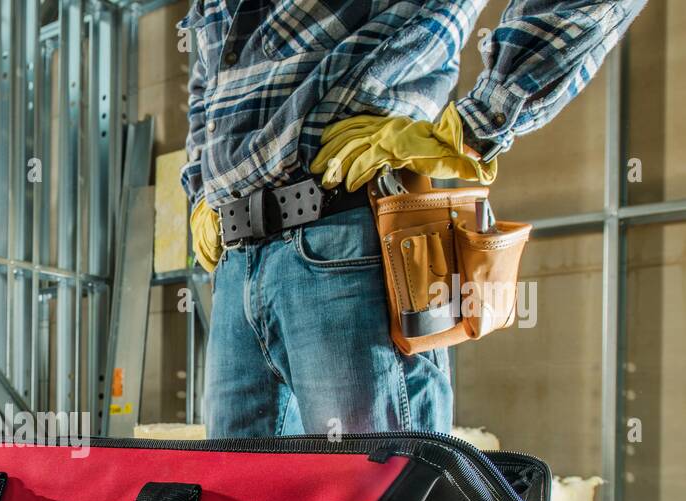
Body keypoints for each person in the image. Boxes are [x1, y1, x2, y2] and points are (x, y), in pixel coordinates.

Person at [183, 0, 645, 438]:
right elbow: (206, 84)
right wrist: (201, 188)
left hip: (351, 232)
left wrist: (482, 119)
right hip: (234, 261)